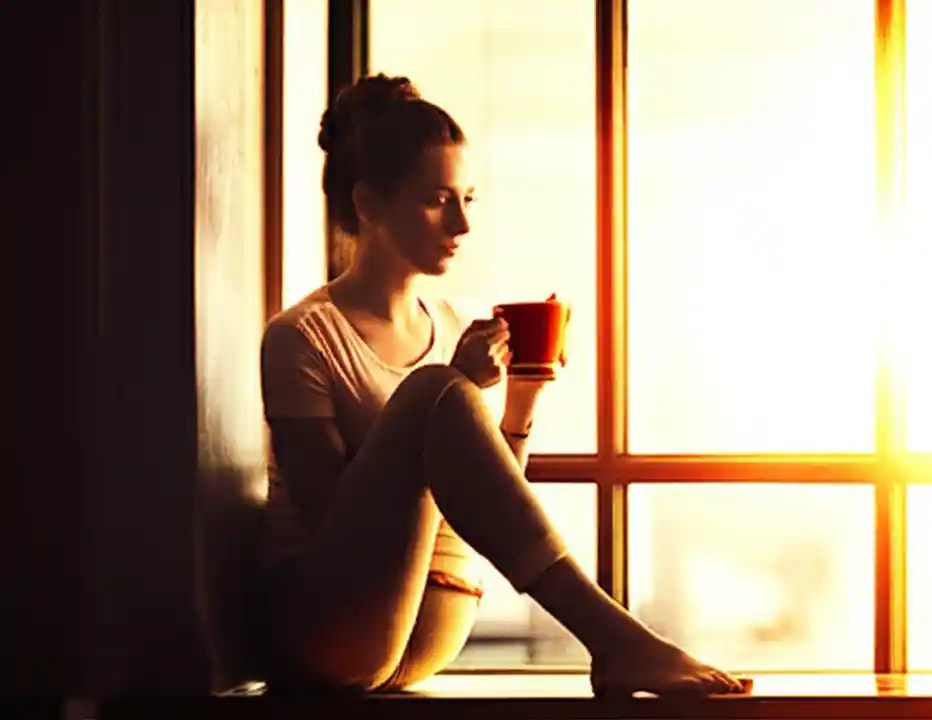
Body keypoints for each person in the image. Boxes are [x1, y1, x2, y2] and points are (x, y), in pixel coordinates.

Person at [256, 73, 749, 697]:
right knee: (435, 389)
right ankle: (615, 637)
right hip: (330, 628)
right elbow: (335, 521)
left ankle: (615, 638)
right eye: (438, 200)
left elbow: (473, 513)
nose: (461, 223)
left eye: (469, 198)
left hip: (431, 628)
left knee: (439, 391)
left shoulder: (453, 325)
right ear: (370, 205)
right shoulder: (302, 335)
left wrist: (519, 401)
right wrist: (453, 388)